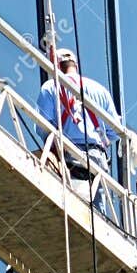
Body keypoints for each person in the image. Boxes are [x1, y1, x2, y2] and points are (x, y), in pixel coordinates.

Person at [37, 48, 118, 207]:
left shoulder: (50, 87)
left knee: (65, 207)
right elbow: (114, 131)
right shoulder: (100, 90)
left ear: (55, 65)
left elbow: (43, 126)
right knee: (97, 213)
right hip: (97, 158)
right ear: (76, 65)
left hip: (67, 155)